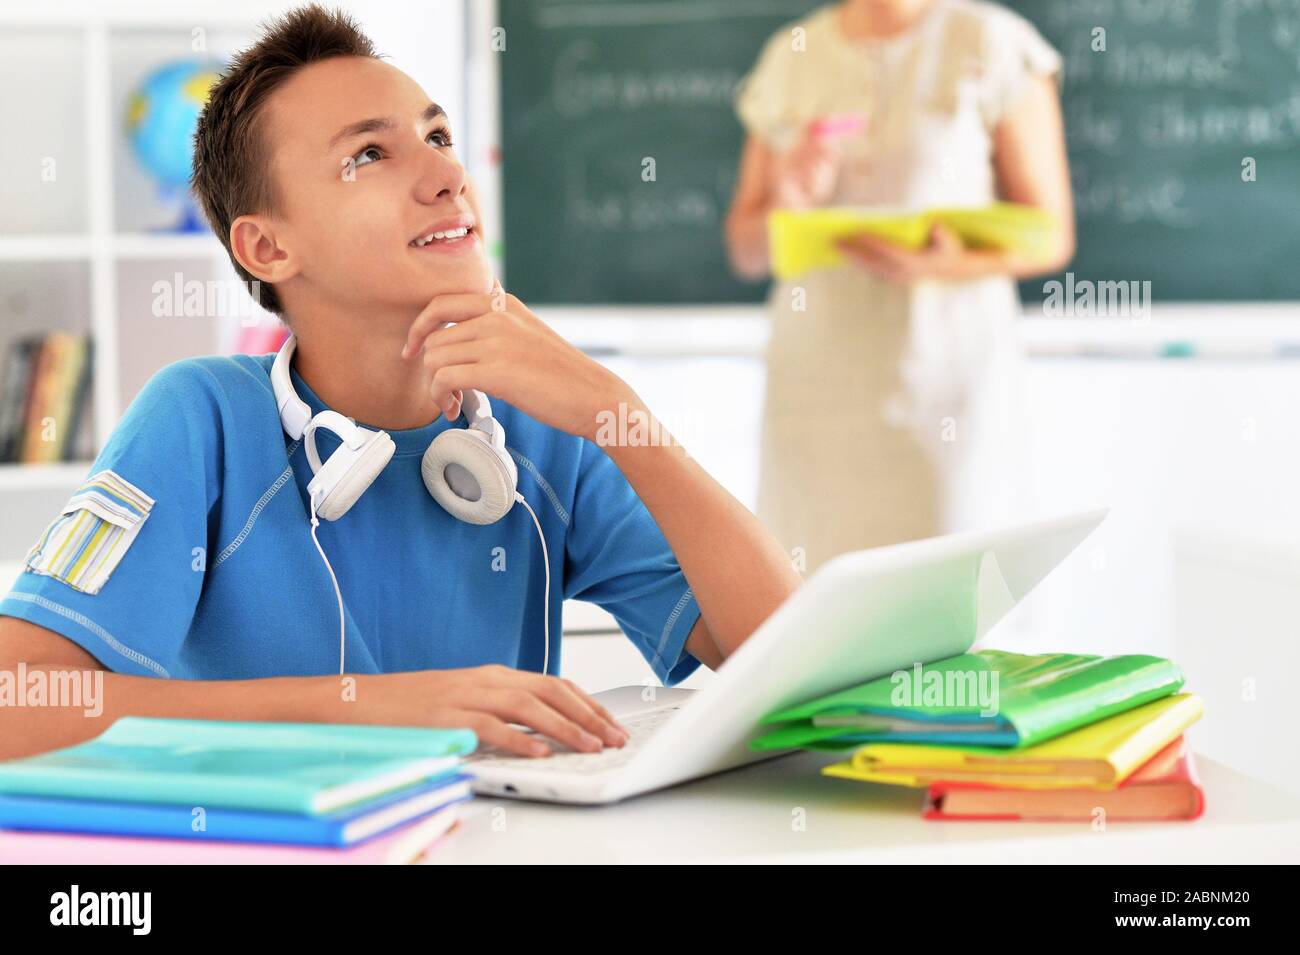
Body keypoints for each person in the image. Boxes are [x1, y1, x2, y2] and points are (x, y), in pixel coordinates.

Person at [0, 4, 801, 761]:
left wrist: (622, 416)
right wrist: (367, 708)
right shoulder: (202, 418)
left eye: (439, 135)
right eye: (369, 155)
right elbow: (16, 698)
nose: (448, 176)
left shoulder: (549, 431)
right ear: (267, 248)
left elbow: (791, 668)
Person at [725, 0, 1075, 573]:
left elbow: (1052, 235)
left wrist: (939, 264)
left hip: (943, 385)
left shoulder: (991, 44)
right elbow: (746, 252)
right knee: (809, 604)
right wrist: (787, 199)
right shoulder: (791, 56)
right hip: (812, 399)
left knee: (944, 592)